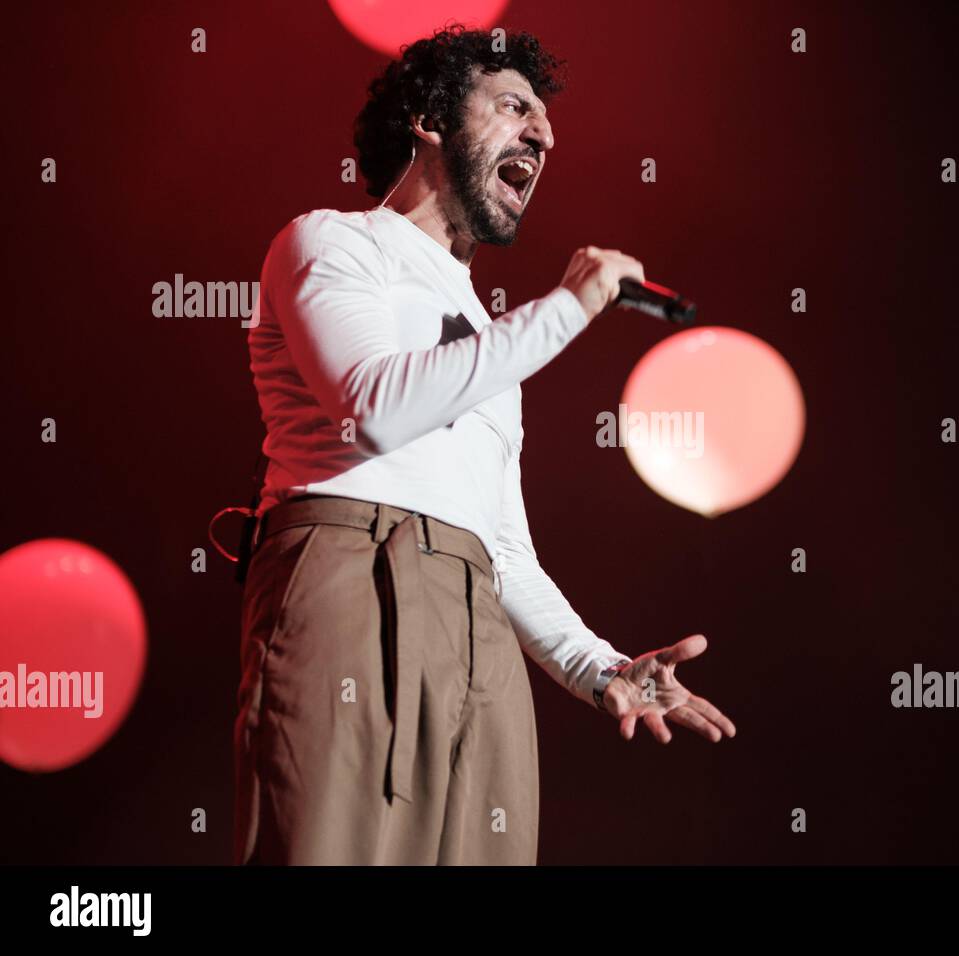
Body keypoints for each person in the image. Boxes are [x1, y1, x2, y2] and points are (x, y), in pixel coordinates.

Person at [232, 24, 736, 866]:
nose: (543, 135)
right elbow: (372, 405)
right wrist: (570, 307)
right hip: (353, 582)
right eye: (514, 108)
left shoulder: (492, 348)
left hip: (479, 634)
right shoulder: (330, 242)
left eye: (546, 123)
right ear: (431, 119)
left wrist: (599, 668)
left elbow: (504, 549)